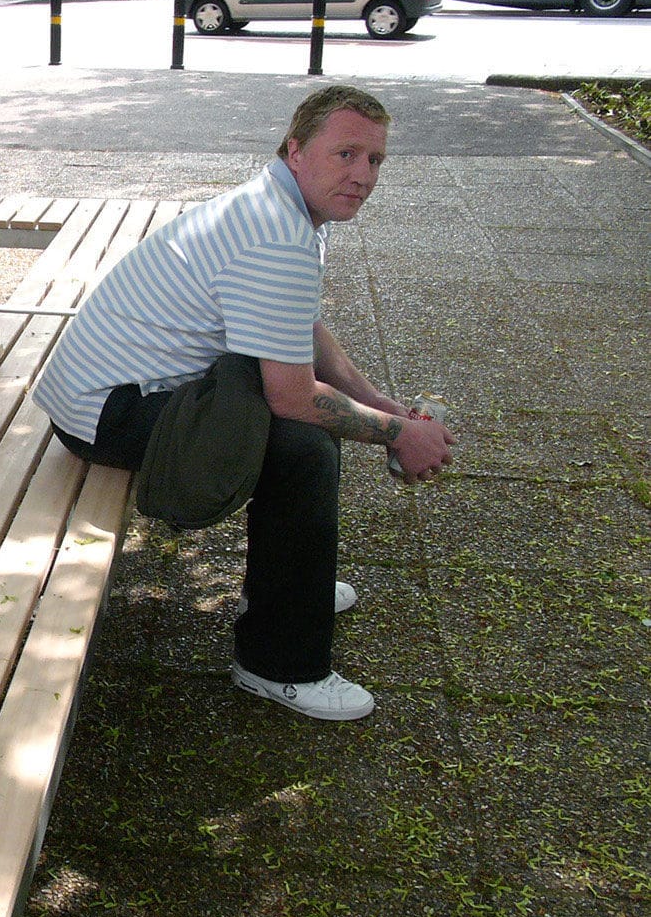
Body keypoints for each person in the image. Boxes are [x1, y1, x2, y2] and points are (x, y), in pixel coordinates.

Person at [32, 85, 455, 722]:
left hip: (113, 387)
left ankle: (290, 592)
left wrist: (375, 402)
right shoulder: (277, 234)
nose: (362, 176)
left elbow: (303, 330)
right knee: (302, 450)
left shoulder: (284, 207)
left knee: (315, 426)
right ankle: (278, 665)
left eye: (374, 161)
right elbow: (292, 395)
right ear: (295, 150)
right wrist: (398, 434)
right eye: (345, 154)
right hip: (105, 411)